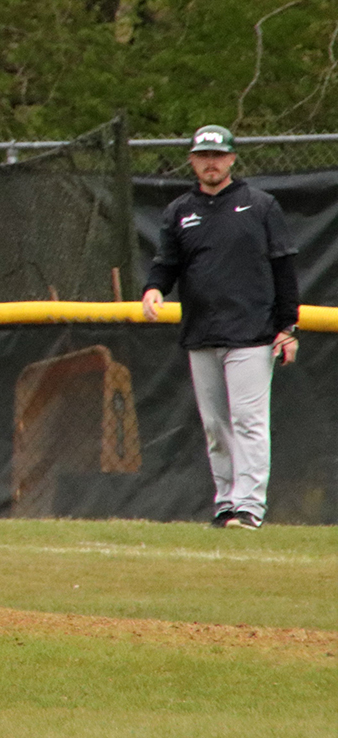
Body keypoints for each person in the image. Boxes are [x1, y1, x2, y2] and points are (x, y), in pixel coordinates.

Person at [141, 124, 300, 529]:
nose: (211, 163)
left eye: (218, 156)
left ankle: (250, 506)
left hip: (252, 332)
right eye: (203, 156)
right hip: (201, 331)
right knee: (215, 425)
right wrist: (154, 290)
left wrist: (288, 326)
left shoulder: (260, 205)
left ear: (231, 158)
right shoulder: (180, 211)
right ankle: (226, 501)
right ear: (192, 161)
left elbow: (284, 266)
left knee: (248, 420)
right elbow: (167, 264)